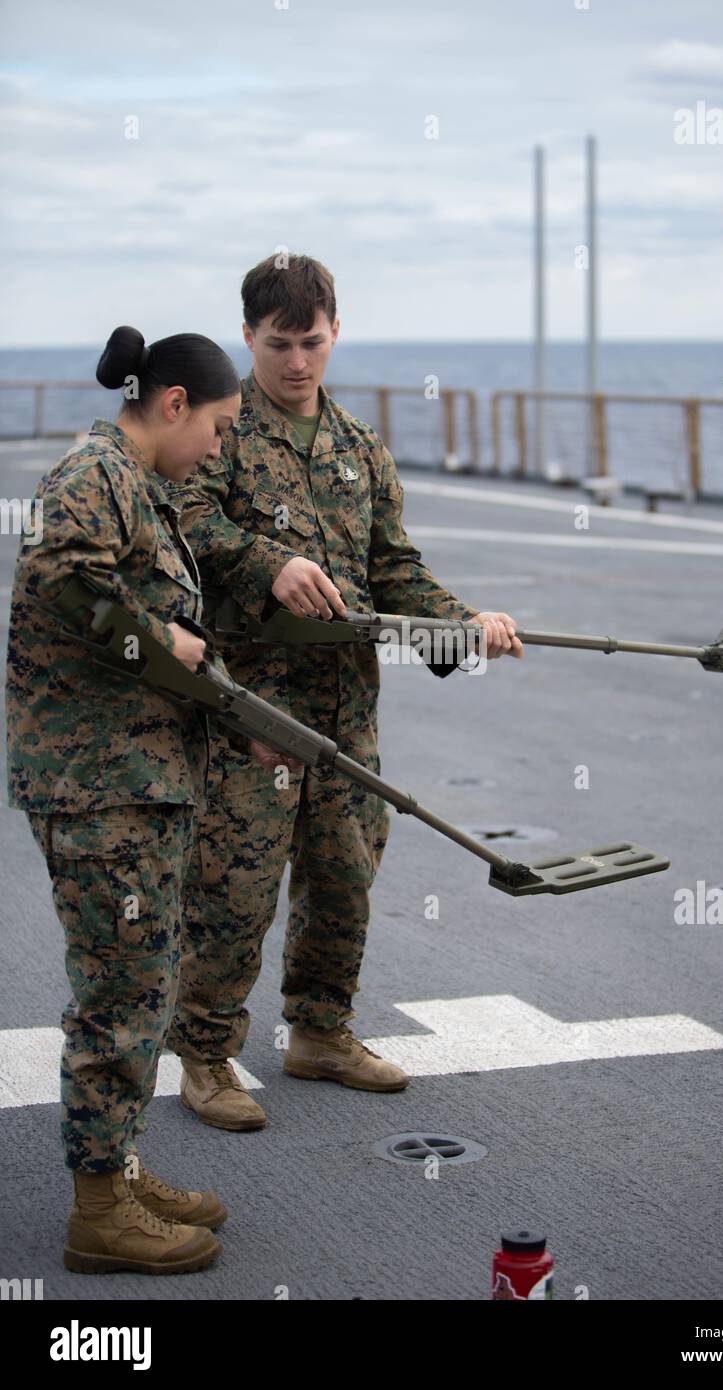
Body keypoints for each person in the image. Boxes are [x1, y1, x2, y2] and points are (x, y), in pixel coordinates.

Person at [165, 253, 523, 1130]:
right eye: (279, 343)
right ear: (247, 337)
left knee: (344, 874)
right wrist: (269, 563)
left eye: (312, 342)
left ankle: (320, 1032)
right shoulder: (221, 433)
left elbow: (395, 572)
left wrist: (463, 625)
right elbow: (185, 525)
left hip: (346, 713)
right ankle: (206, 1056)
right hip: (251, 710)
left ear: (336, 334)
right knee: (234, 887)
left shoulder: (360, 448)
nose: (297, 362)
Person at [5, 325, 242, 1273]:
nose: (221, 449)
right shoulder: (94, 475)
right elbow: (64, 585)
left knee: (142, 982)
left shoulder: (139, 485)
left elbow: (139, 618)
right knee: (119, 992)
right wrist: (165, 645)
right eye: (220, 428)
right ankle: (99, 1212)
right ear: (174, 403)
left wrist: (211, 686)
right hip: (98, 782)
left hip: (135, 780)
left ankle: (119, 1163)